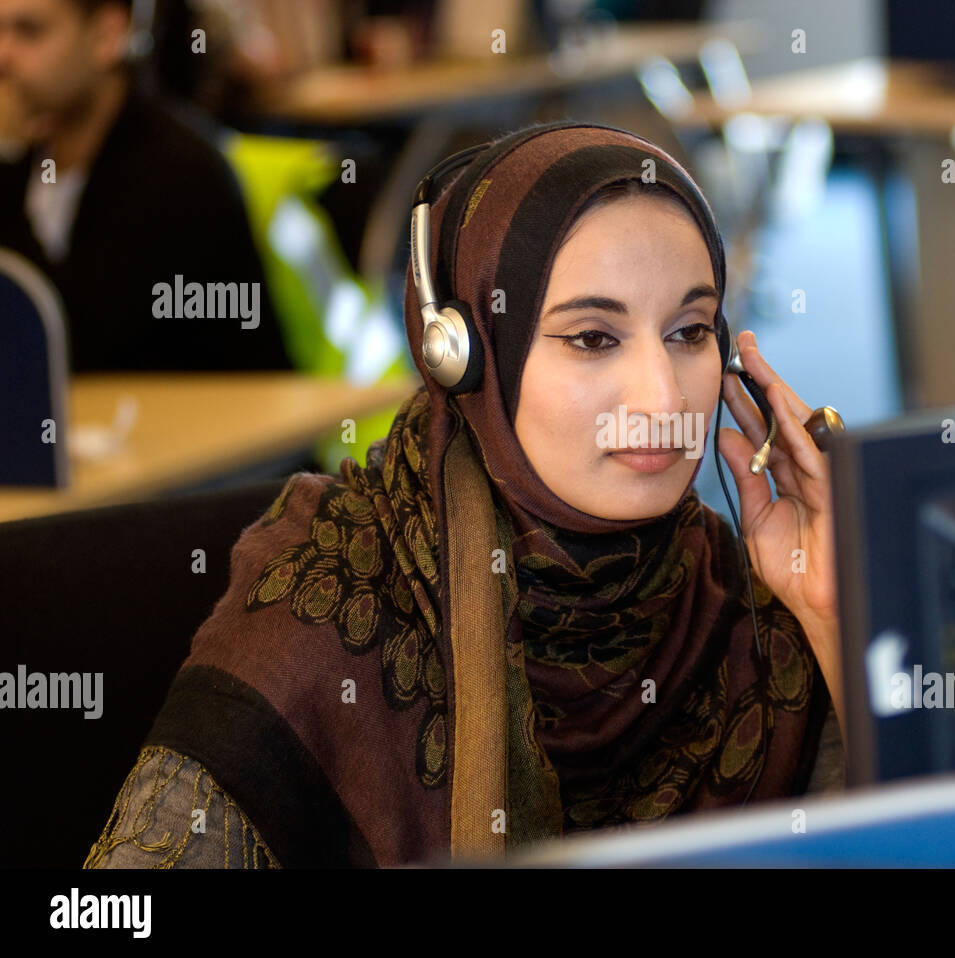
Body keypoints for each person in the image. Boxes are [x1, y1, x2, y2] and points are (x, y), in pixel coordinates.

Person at [84, 120, 844, 869]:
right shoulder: (329, 605)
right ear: (466, 355)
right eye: (592, 338)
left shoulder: (745, 599)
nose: (662, 396)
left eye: (689, 331)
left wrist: (831, 615)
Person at [0, 0, 291, 372]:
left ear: (107, 36)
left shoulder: (177, 172)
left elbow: (76, 346)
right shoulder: (25, 155)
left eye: (29, 32)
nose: (4, 55)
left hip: (202, 419)